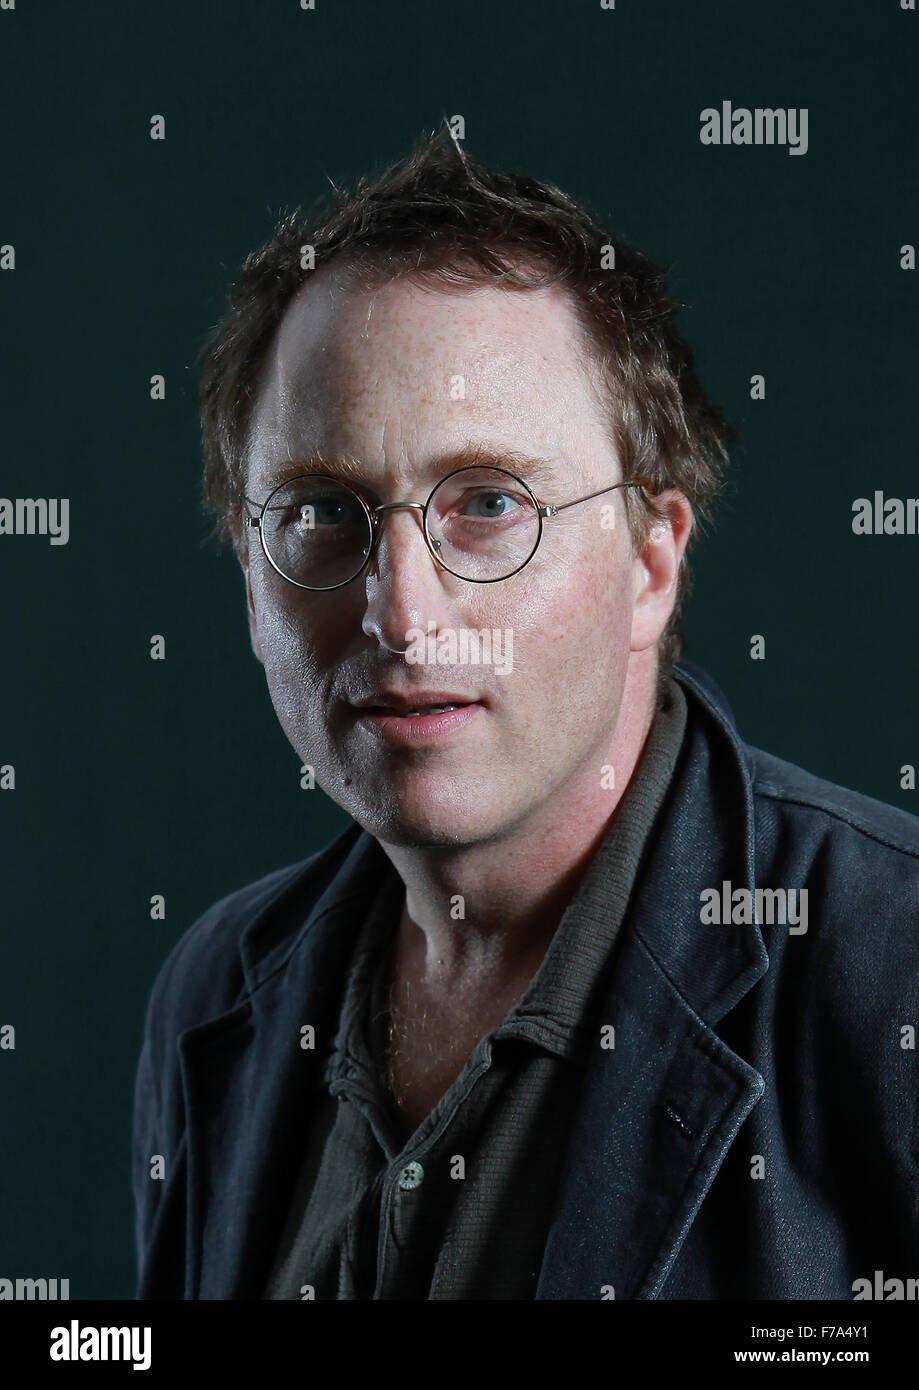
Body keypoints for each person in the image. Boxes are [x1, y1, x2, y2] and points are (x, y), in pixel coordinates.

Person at [132, 126, 919, 1301]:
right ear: (250, 579)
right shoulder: (216, 997)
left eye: (489, 503)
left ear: (651, 563)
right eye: (321, 513)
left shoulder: (893, 972)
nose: (399, 613)